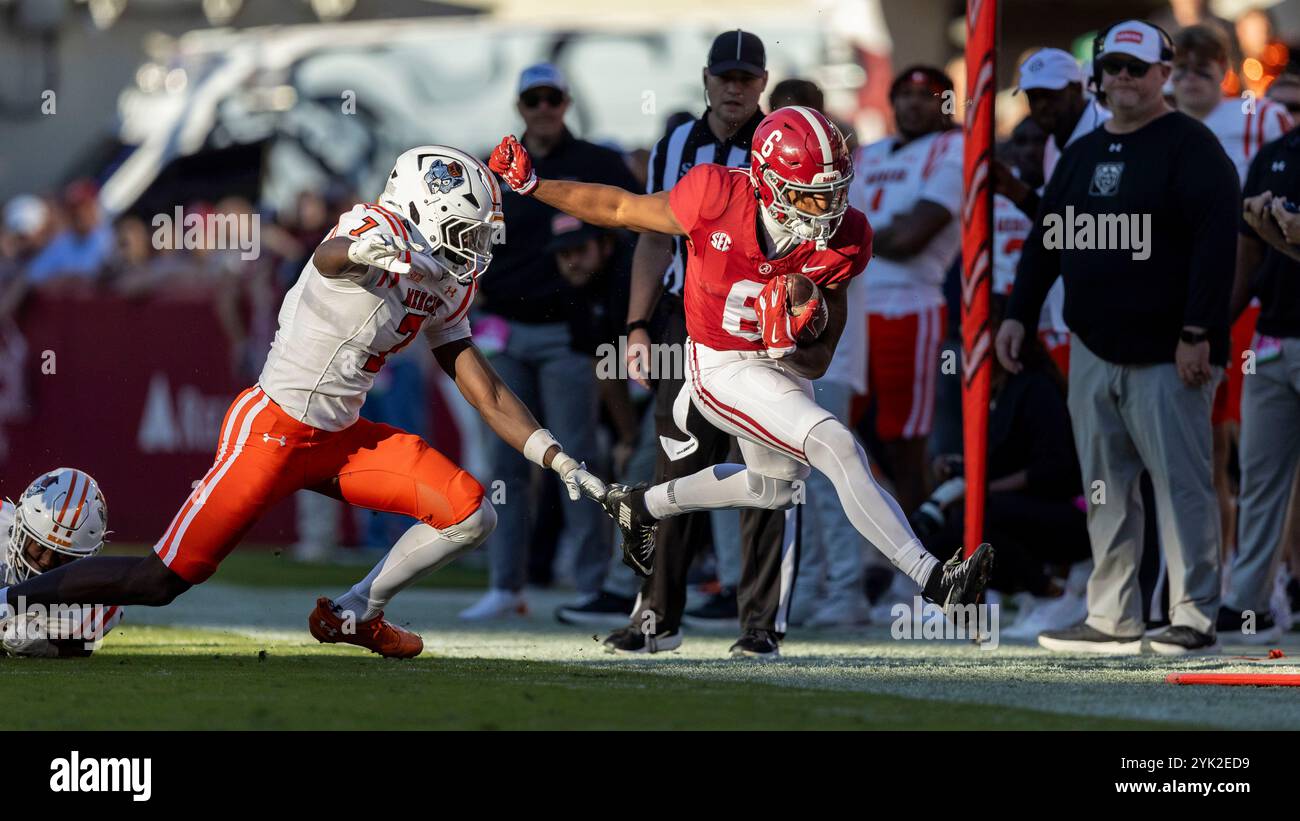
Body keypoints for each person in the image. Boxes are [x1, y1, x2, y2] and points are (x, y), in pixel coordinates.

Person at [0, 146, 615, 660]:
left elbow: (480, 381)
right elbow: (329, 256)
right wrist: (366, 253)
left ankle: (356, 613)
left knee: (472, 513)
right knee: (161, 581)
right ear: (426, 211)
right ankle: (11, 602)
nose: (477, 245)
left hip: (338, 441)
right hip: (272, 430)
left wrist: (556, 459)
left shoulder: (447, 279)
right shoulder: (377, 228)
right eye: (469, 229)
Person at [488, 107, 995, 659]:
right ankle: (935, 580)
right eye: (810, 194)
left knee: (773, 487)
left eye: (834, 191)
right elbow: (619, 207)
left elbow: (821, 358)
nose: (828, 208)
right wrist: (534, 186)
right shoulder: (714, 194)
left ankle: (645, 504)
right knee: (836, 444)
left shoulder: (846, 235)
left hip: (775, 367)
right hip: (718, 363)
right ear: (766, 181)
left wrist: (793, 341)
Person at [999, 20, 1239, 655]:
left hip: (1169, 350)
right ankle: (1113, 615)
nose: (1124, 78)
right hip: (1092, 347)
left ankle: (1193, 614)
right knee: (1105, 490)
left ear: (1163, 73)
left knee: (1182, 485)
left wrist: (1200, 333)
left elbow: (1217, 248)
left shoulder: (1192, 145)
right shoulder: (1079, 154)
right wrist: (1018, 314)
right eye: (1114, 68)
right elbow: (1048, 240)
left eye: (1137, 67)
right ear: (1097, 79)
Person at [562, 31, 800, 655]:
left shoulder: (784, 146)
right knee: (675, 467)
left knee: (764, 466)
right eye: (725, 76)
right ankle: (657, 617)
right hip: (685, 317)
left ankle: (760, 624)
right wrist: (638, 325)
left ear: (763, 82)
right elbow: (651, 239)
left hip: (757, 317)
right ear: (705, 77)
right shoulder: (676, 145)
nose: (734, 88)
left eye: (746, 78)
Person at [462, 63, 639, 621]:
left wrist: (613, 312)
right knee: (505, 462)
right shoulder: (490, 168)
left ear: (565, 101)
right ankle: (505, 584)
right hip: (505, 331)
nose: (542, 107)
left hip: (572, 332)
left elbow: (640, 229)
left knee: (577, 456)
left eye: (552, 97)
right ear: (520, 105)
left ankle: (591, 584)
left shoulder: (597, 163)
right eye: (533, 99)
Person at [1170, 23, 1293, 569]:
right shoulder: (1155, 120)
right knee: (1206, 449)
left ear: (1224, 67)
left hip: (1242, 295)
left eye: (1204, 64)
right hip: (1182, 296)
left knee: (1258, 450)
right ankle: (1217, 573)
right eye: (1181, 64)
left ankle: (1280, 576)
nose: (1192, 75)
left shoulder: (1261, 116)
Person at [914, 296, 1090, 641]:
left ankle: (1055, 594)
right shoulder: (988, 389)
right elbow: (998, 461)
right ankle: (966, 597)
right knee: (938, 521)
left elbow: (1055, 472)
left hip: (1067, 516)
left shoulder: (1035, 387)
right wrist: (960, 470)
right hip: (1016, 507)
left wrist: (980, 487)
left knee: (981, 513)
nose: (967, 343)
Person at [848, 66, 964, 514]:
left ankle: (923, 554)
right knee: (837, 429)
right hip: (853, 308)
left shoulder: (953, 147)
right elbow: (832, 222)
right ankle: (886, 539)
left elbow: (915, 235)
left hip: (909, 305)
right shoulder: (867, 153)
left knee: (906, 441)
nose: (915, 102)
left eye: (929, 94)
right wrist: (884, 232)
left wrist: (858, 236)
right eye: (906, 93)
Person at [1225, 129, 1300, 643]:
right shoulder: (1276, 154)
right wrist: (1209, 328)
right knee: (1258, 475)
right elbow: (1248, 253)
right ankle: (1249, 603)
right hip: (1273, 333)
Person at [0, 468, 116, 658]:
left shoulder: (99, 598)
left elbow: (81, 647)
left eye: (63, 556)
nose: (46, 561)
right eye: (39, 545)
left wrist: (48, 648)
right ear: (19, 525)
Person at [24, 180, 113, 285]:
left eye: (86, 207)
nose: (80, 215)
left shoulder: (111, 235)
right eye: (74, 210)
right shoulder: (62, 242)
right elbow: (32, 275)